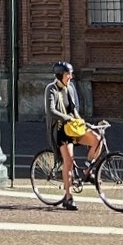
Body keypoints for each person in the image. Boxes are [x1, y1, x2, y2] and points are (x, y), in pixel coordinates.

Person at [45, 61, 100, 212]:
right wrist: (66, 118)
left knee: (97, 139)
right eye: (67, 74)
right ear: (59, 75)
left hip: (73, 127)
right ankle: (68, 197)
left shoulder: (70, 88)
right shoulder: (51, 89)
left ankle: (87, 172)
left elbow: (74, 110)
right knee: (68, 161)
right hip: (61, 130)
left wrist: (82, 122)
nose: (70, 77)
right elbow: (51, 111)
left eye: (70, 74)